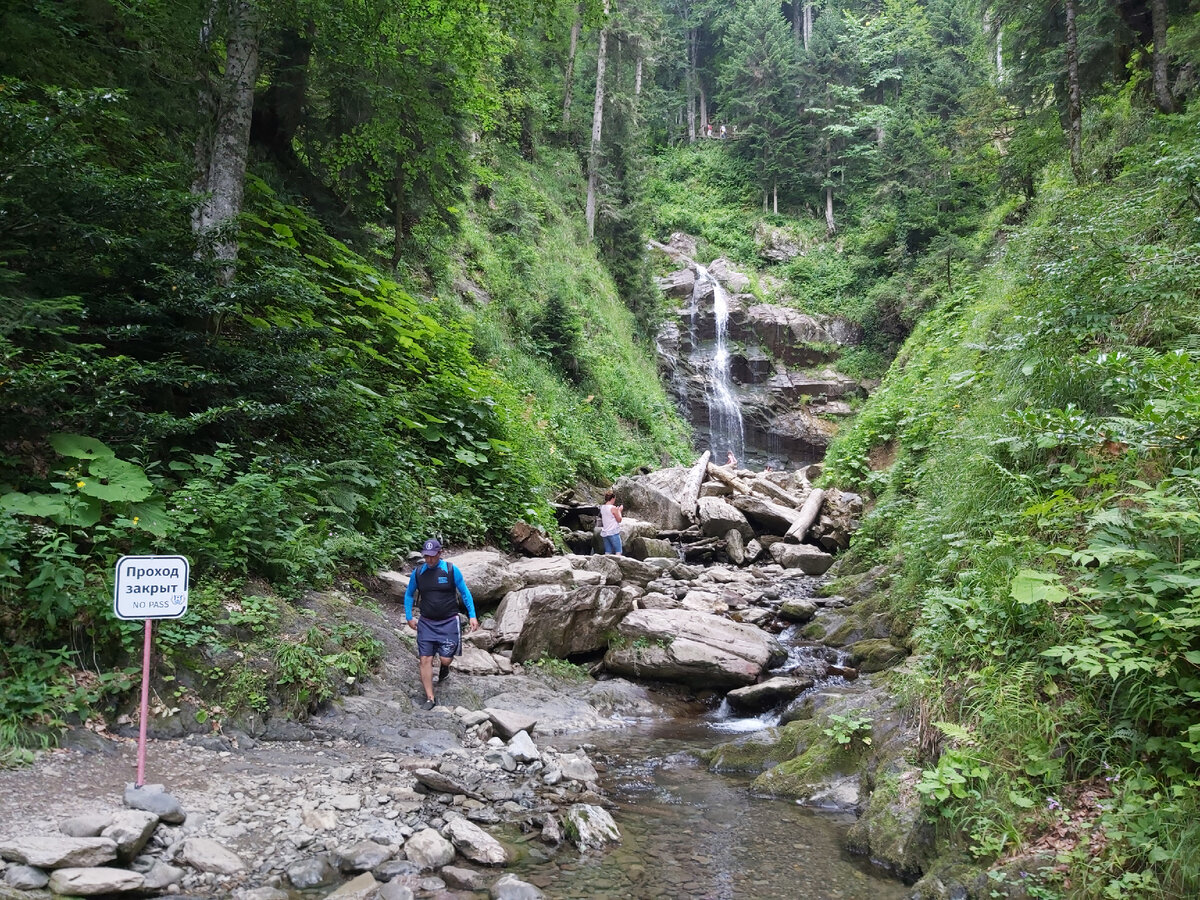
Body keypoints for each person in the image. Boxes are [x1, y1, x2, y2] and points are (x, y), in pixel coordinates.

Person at [404, 538, 478, 710]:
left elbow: (465, 593)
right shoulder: (418, 573)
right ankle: (430, 698)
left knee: (445, 658)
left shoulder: (451, 570)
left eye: (432, 556)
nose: (429, 560)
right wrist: (409, 616)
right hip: (427, 623)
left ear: (440, 553)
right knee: (425, 659)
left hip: (449, 621)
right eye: (426, 556)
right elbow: (409, 595)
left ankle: (445, 668)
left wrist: (472, 615)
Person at [600, 490, 624, 555]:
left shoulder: (602, 507)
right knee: (618, 551)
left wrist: (617, 510)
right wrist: (619, 511)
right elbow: (619, 520)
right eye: (614, 499)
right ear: (612, 498)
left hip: (605, 533)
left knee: (608, 552)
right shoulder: (613, 508)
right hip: (613, 532)